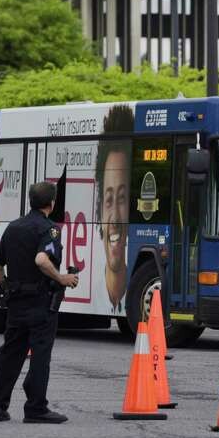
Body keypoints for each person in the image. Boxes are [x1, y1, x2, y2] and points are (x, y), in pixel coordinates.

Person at [0, 181, 79, 423]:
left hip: (16, 302)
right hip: (41, 303)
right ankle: (36, 408)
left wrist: (4, 289)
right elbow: (41, 259)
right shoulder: (50, 230)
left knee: (10, 353)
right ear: (52, 204)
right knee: (40, 355)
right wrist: (62, 277)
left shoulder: (13, 227)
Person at [95, 105, 134, 311]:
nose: (116, 219)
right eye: (109, 200)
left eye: (122, 198)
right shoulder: (91, 291)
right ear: (100, 209)